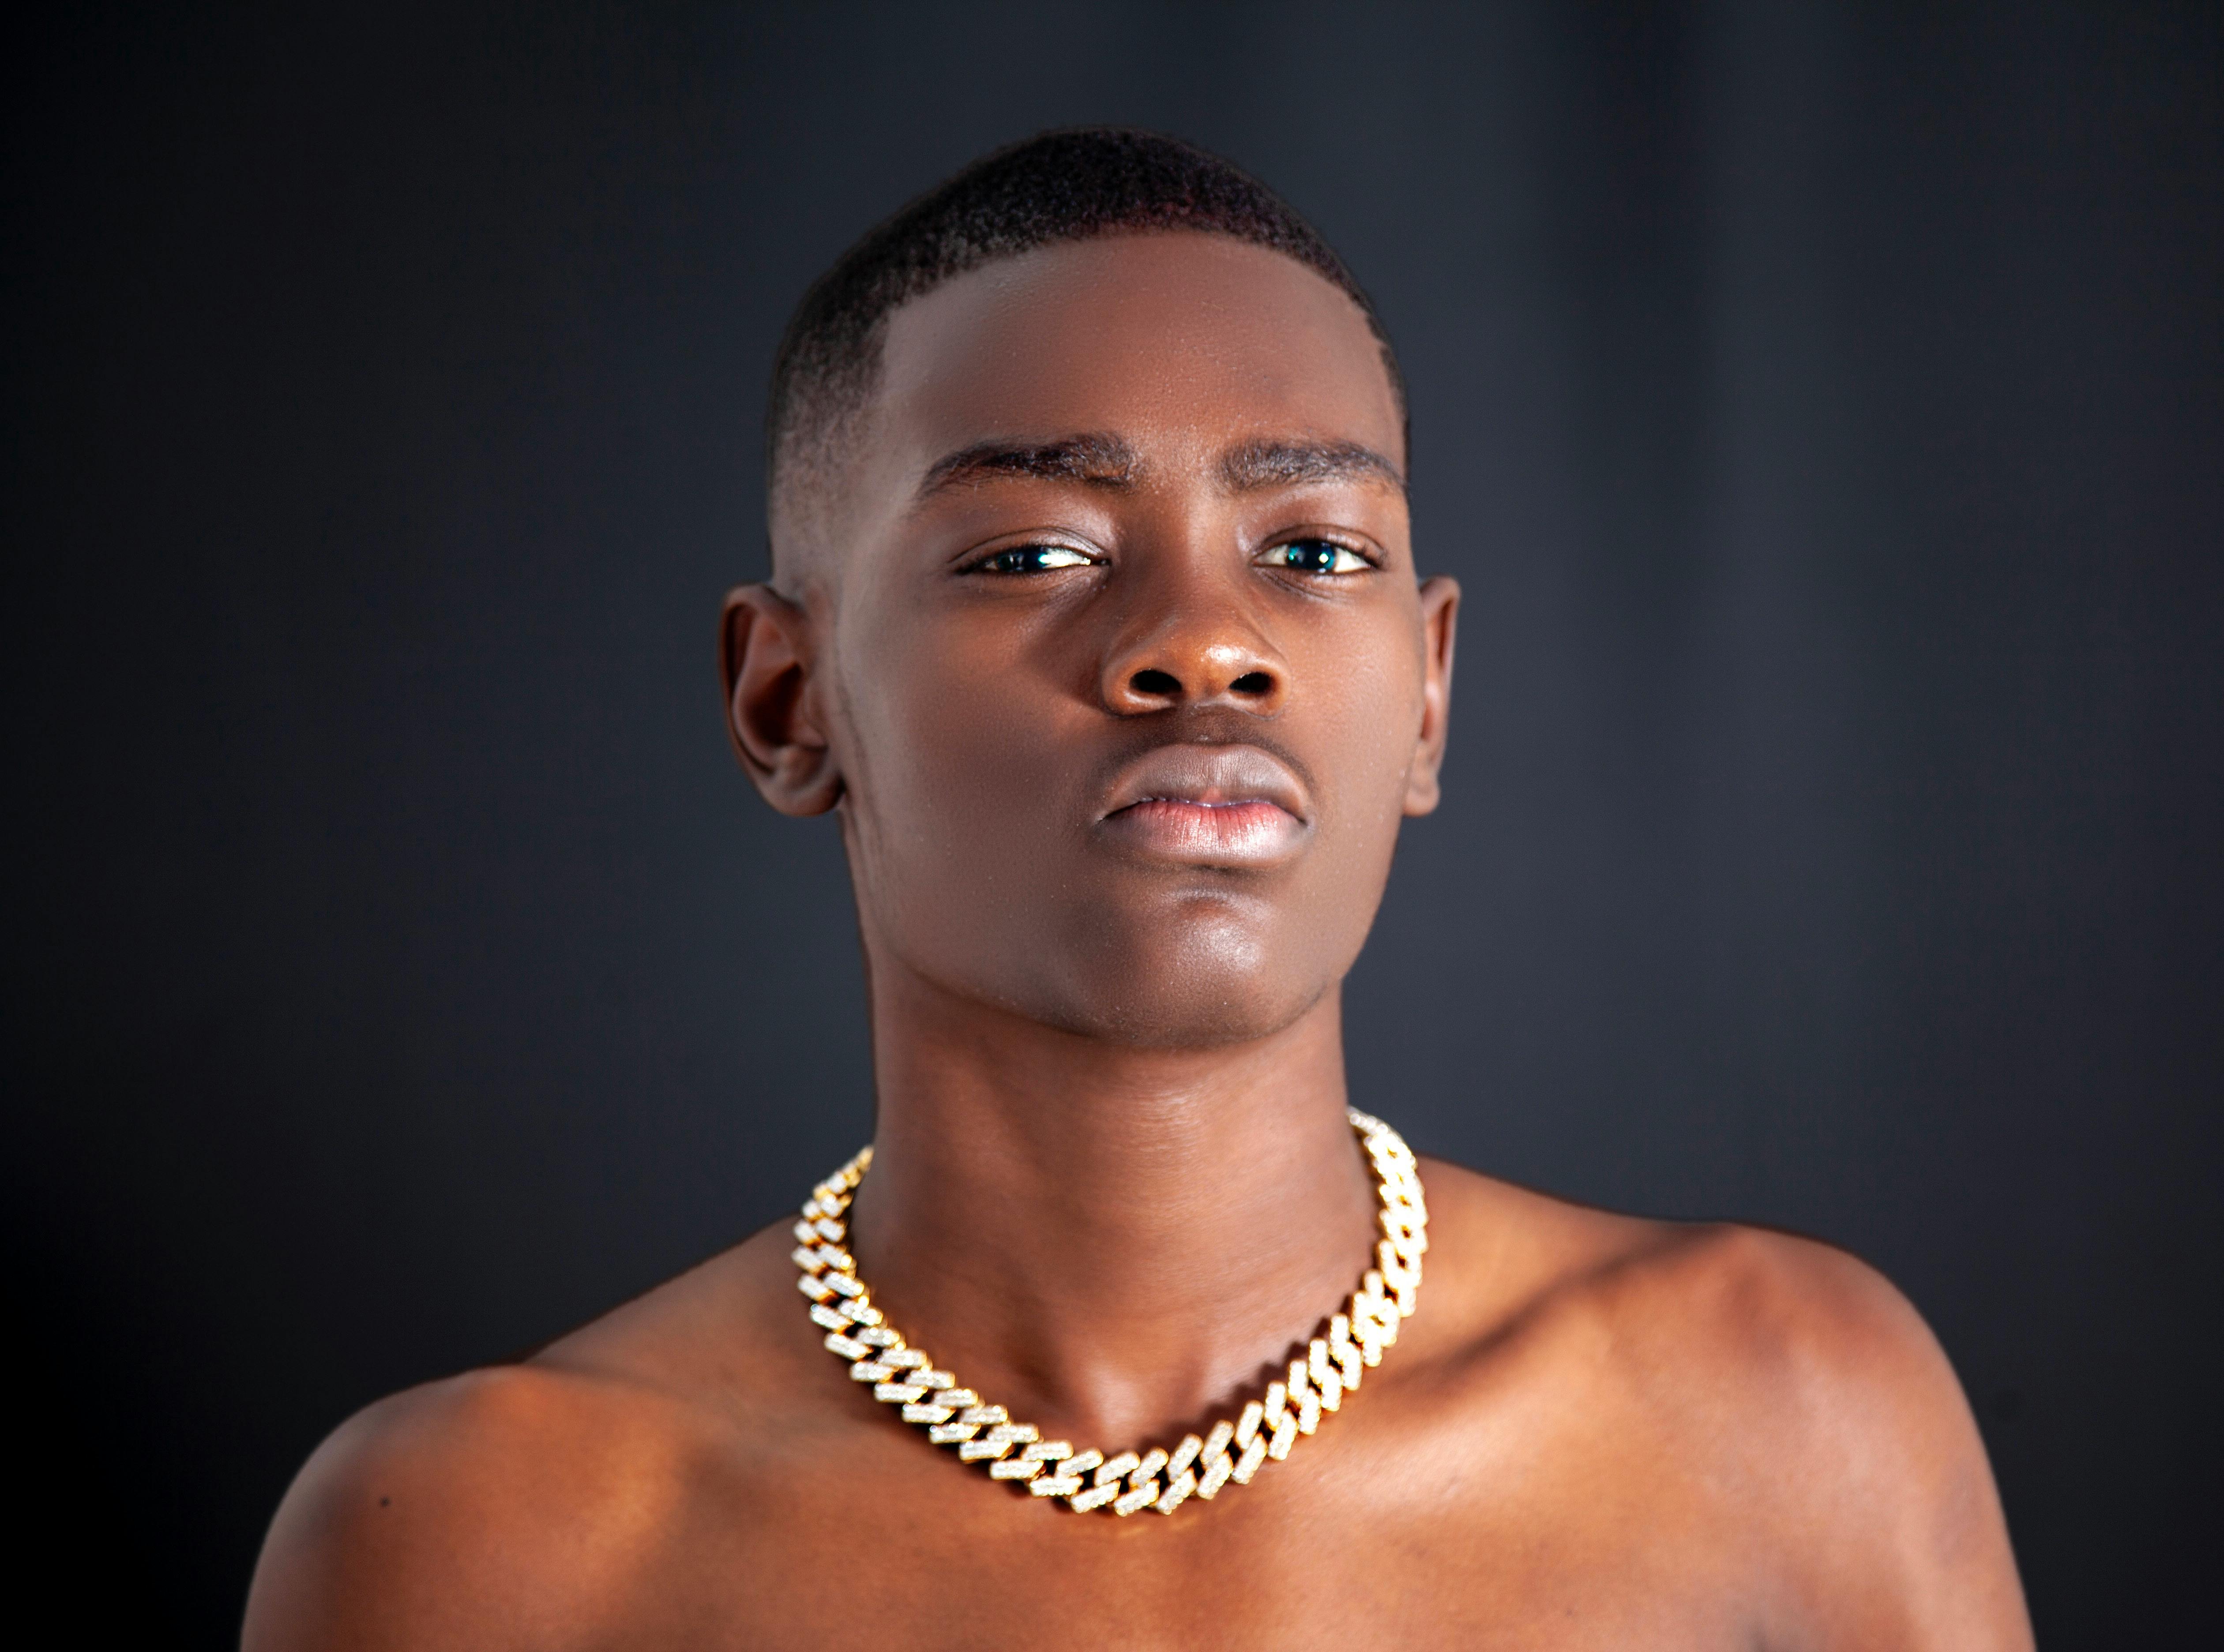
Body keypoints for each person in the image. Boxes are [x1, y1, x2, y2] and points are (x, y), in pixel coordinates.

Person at [244, 128, 2032, 1648]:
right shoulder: (482, 1549)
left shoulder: (1793, 1410)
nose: (1201, 643)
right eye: (1035, 550)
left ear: (1426, 697)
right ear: (790, 704)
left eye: (1312, 552)